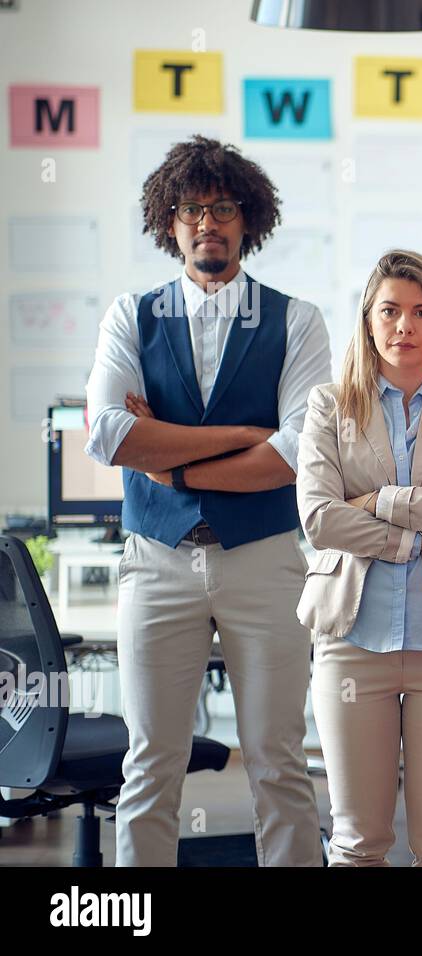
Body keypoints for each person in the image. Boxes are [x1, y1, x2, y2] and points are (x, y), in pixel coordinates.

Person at [84, 135, 330, 866]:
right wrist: (235, 439)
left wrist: (174, 462)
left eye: (222, 208)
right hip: (156, 561)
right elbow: (109, 436)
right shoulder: (133, 315)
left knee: (277, 760)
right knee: (150, 763)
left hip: (264, 560)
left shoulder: (297, 319)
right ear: (169, 223)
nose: (206, 223)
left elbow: (294, 454)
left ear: (249, 218)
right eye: (190, 210)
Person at [296, 250, 422, 866]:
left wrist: (380, 500)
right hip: (353, 642)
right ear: (369, 319)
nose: (404, 326)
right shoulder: (331, 404)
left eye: (421, 312)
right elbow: (319, 517)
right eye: (390, 311)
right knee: (358, 841)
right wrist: (408, 538)